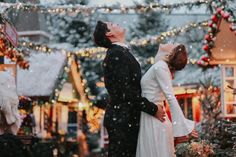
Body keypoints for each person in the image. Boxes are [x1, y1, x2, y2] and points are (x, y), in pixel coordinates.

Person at [93, 21, 166, 157]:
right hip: (123, 120)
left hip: (125, 118)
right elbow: (127, 92)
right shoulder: (117, 54)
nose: (116, 23)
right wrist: (153, 109)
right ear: (109, 34)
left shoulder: (121, 52)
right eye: (111, 24)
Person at [136, 44, 196, 157]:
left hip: (155, 119)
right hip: (151, 115)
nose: (169, 43)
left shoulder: (161, 67)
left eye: (173, 44)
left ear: (170, 53)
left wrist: (183, 126)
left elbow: (170, 97)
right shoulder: (161, 66)